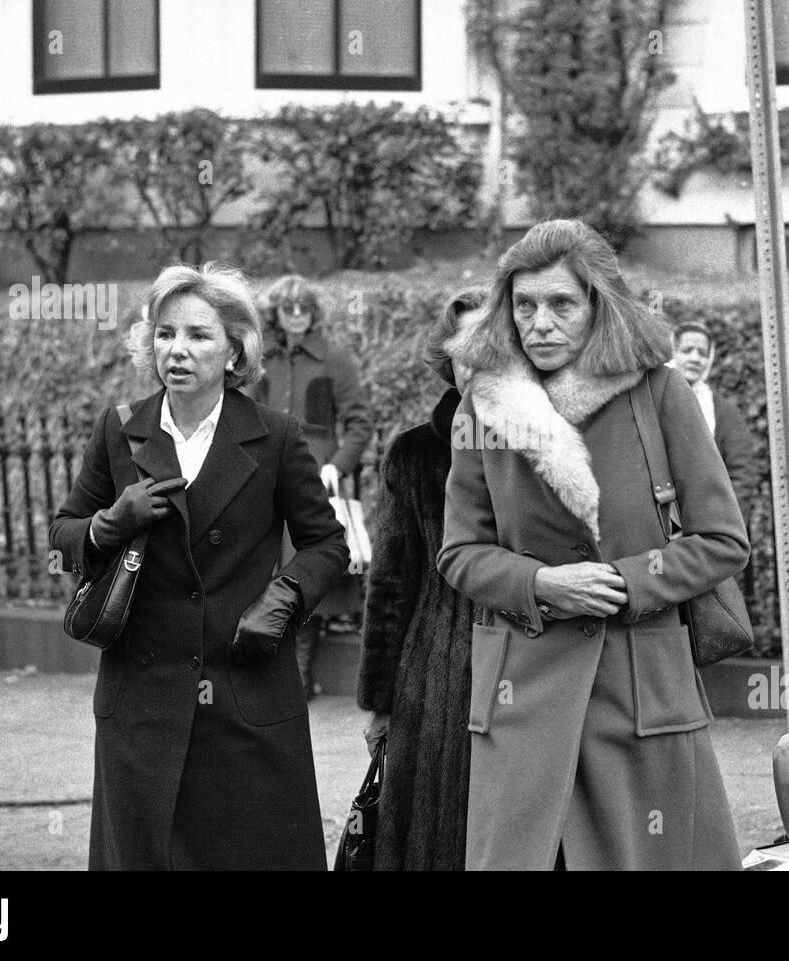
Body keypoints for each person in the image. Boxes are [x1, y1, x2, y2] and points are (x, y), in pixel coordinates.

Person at [437, 220, 751, 871]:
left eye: (561, 304)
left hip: (637, 697)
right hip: (521, 701)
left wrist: (623, 582)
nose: (539, 323)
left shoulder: (661, 394)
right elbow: (460, 551)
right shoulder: (481, 406)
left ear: (599, 306)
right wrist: (540, 585)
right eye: (524, 305)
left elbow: (722, 540)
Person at [50, 263, 349, 870]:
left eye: (198, 335)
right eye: (164, 334)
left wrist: (285, 594)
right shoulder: (120, 431)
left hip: (243, 692)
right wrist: (112, 522)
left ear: (235, 351)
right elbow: (61, 539)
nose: (176, 351)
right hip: (143, 702)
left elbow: (327, 544)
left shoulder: (276, 436)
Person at [357, 288, 485, 871]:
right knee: (433, 841)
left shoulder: (553, 443)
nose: (475, 358)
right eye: (462, 346)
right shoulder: (413, 454)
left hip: (535, 665)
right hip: (434, 672)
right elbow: (389, 582)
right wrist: (379, 703)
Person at [252, 275, 371, 701]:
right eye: (289, 310)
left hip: (316, 471)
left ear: (313, 313)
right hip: (266, 470)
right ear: (277, 314)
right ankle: (278, 669)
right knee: (267, 566)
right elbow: (244, 413)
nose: (298, 317)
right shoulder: (260, 358)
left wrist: (337, 466)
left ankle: (300, 675)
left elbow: (359, 423)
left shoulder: (335, 359)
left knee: (309, 562)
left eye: (305, 309)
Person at [669, 321, 759, 525]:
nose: (694, 358)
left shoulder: (724, 413)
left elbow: (741, 472)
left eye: (702, 353)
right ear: (673, 353)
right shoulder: (650, 401)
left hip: (708, 520)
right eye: (687, 350)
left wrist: (727, 522)